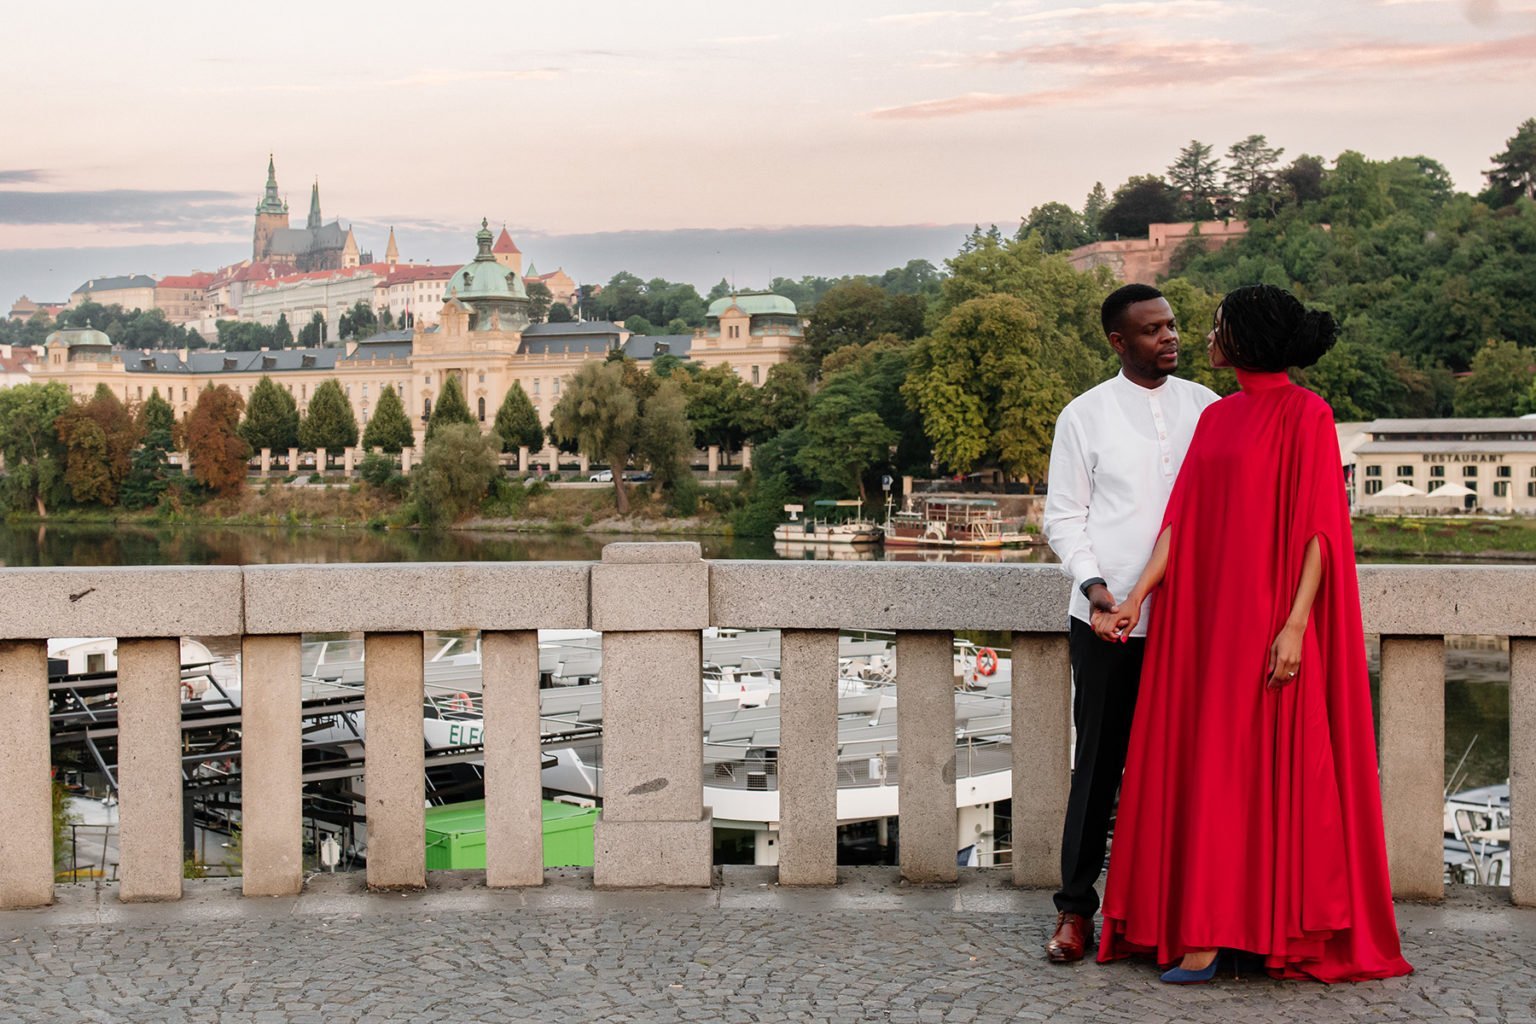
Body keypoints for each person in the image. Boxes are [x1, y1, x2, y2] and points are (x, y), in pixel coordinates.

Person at [1097, 284, 1413, 984]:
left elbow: (1321, 531)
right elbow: (1180, 522)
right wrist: (1137, 597)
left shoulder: (1308, 413)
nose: (1206, 337)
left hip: (1270, 620)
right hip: (1204, 621)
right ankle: (1209, 930)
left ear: (1246, 337)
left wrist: (1295, 625)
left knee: (1263, 771)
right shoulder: (1216, 417)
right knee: (1212, 768)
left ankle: (1245, 931)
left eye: (1218, 326)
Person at [1040, 283, 1219, 963]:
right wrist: (1096, 590)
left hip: (1192, 620)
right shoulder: (1084, 415)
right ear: (1119, 341)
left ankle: (1173, 912)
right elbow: (1064, 517)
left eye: (1172, 325)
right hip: (1107, 622)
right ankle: (1074, 910)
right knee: (1098, 767)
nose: (1169, 337)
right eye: (1152, 330)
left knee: (1188, 769)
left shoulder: (1206, 407)